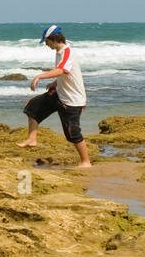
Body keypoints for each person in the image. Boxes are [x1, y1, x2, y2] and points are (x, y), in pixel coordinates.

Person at [16, 24, 91, 167]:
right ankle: (32, 139)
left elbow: (62, 70)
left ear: (53, 39)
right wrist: (55, 83)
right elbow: (66, 73)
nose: (46, 44)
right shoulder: (60, 52)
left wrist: (40, 76)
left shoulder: (67, 51)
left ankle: (86, 162)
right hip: (59, 94)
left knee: (72, 134)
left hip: (72, 101)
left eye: (46, 41)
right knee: (32, 107)